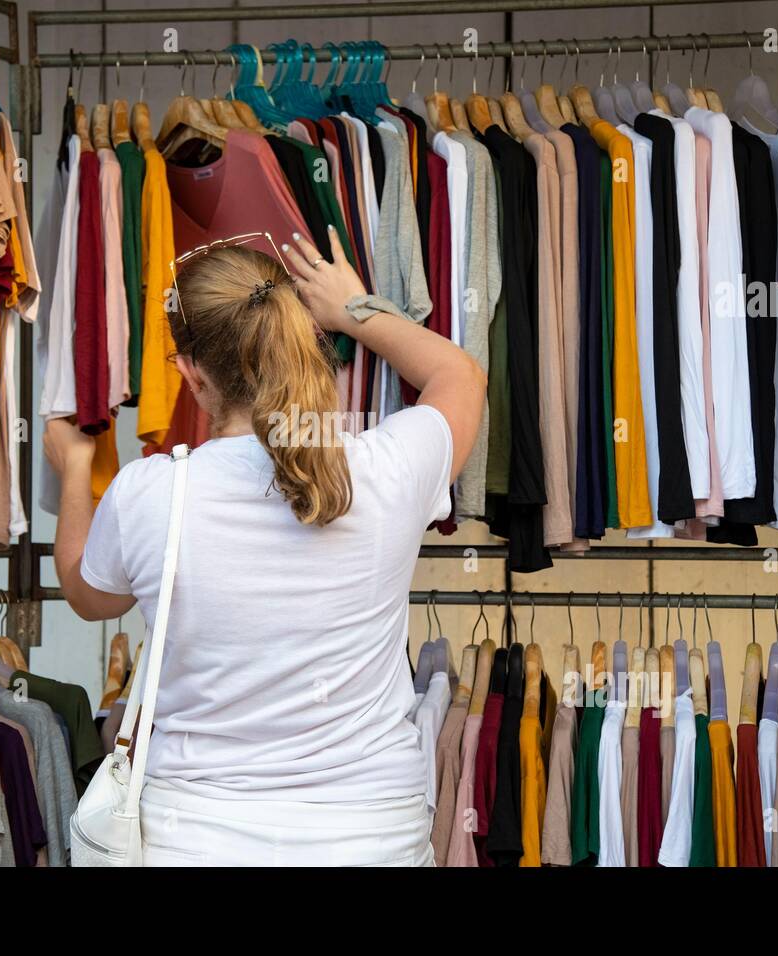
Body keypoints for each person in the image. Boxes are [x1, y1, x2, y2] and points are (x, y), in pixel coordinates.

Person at [44, 225, 485, 866]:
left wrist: (76, 468)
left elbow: (87, 595)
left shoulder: (152, 494)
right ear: (297, 337)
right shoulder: (387, 468)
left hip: (196, 837)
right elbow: (460, 375)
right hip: (369, 837)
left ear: (191, 374)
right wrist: (353, 311)